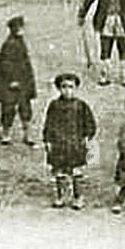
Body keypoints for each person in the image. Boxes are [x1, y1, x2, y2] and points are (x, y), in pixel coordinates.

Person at [43, 73, 97, 209]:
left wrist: (87, 138)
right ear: (59, 89)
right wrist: (48, 140)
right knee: (59, 171)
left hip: (76, 144)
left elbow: (90, 124)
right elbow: (48, 124)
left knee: (76, 171)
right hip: (59, 145)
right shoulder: (54, 106)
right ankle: (61, 196)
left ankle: (78, 197)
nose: (67, 91)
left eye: (71, 87)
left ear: (76, 88)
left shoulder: (81, 106)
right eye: (64, 87)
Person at [0, 15, 38, 146]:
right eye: (19, 27)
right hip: (11, 83)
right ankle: (6, 134)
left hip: (23, 81)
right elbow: (5, 65)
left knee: (25, 108)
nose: (22, 29)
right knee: (9, 109)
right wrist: (13, 80)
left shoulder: (20, 41)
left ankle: (27, 134)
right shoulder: (10, 44)